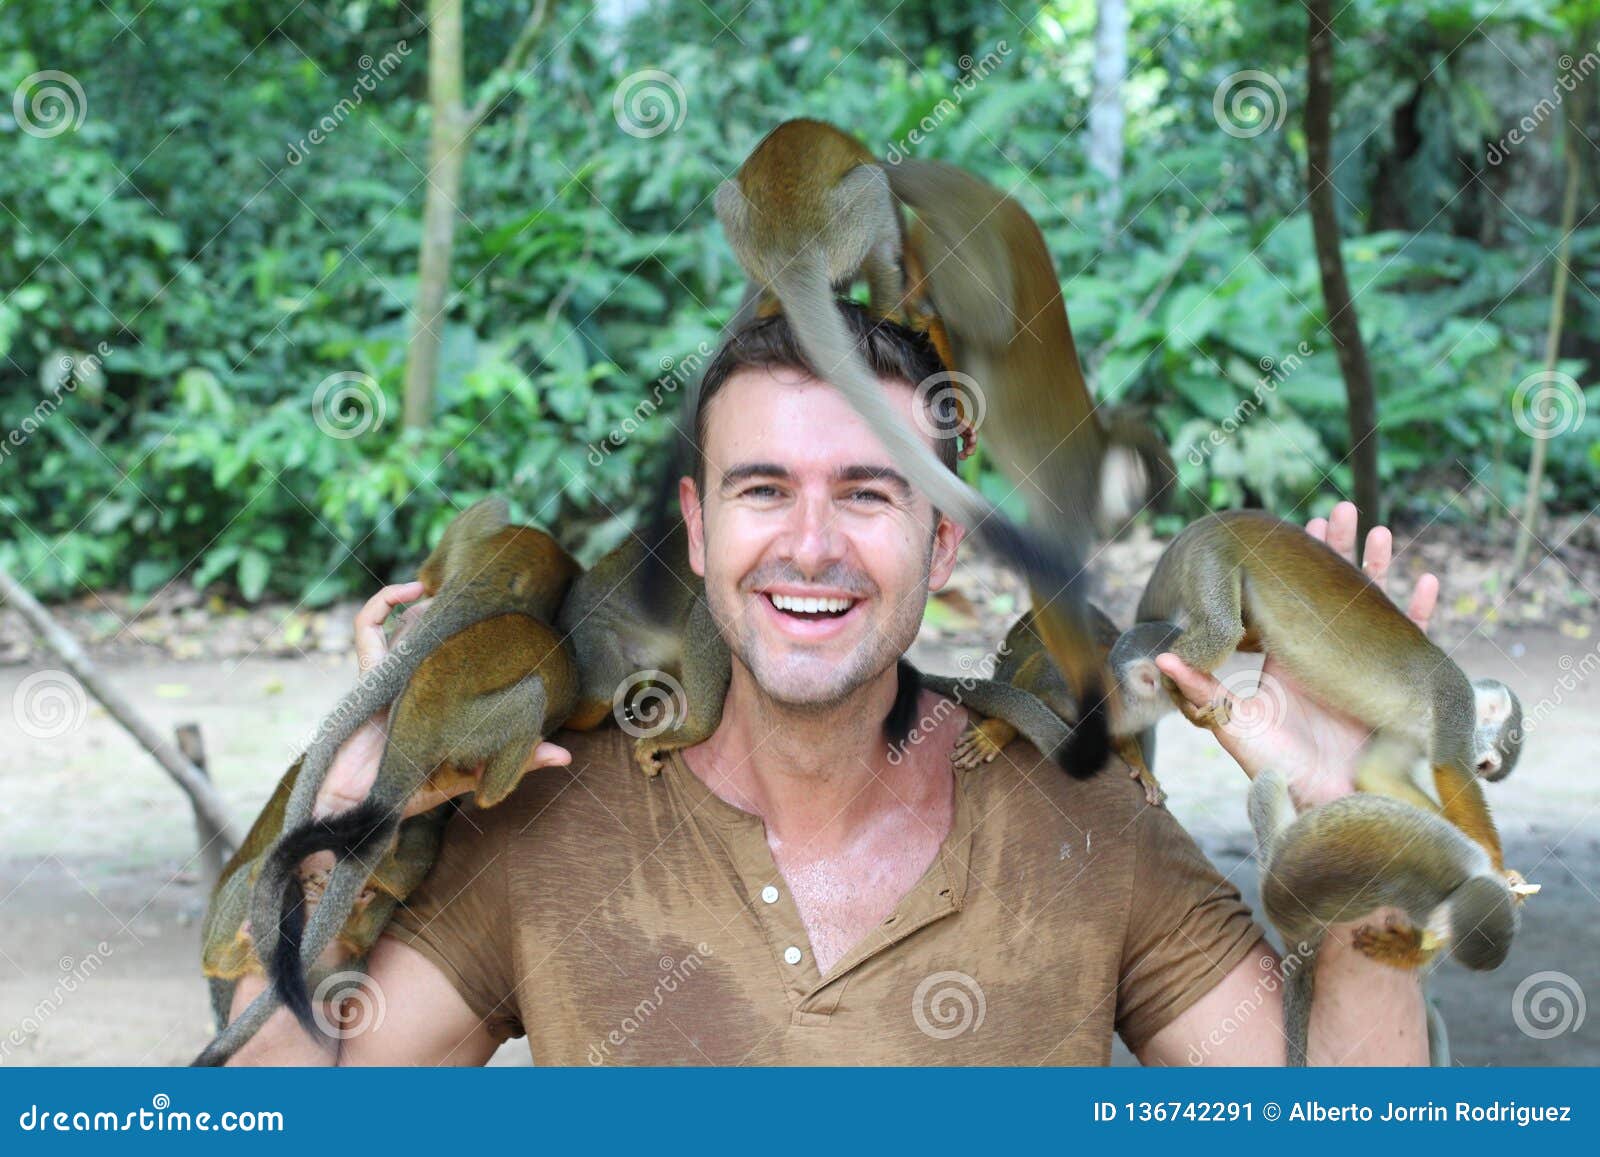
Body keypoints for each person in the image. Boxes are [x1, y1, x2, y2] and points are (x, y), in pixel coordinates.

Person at [223, 306, 1431, 1065]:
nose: (811, 544)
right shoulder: (546, 818)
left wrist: (1361, 835)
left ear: (942, 541)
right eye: (763, 489)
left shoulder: (1087, 814)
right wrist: (331, 821)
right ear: (695, 531)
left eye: (866, 491)